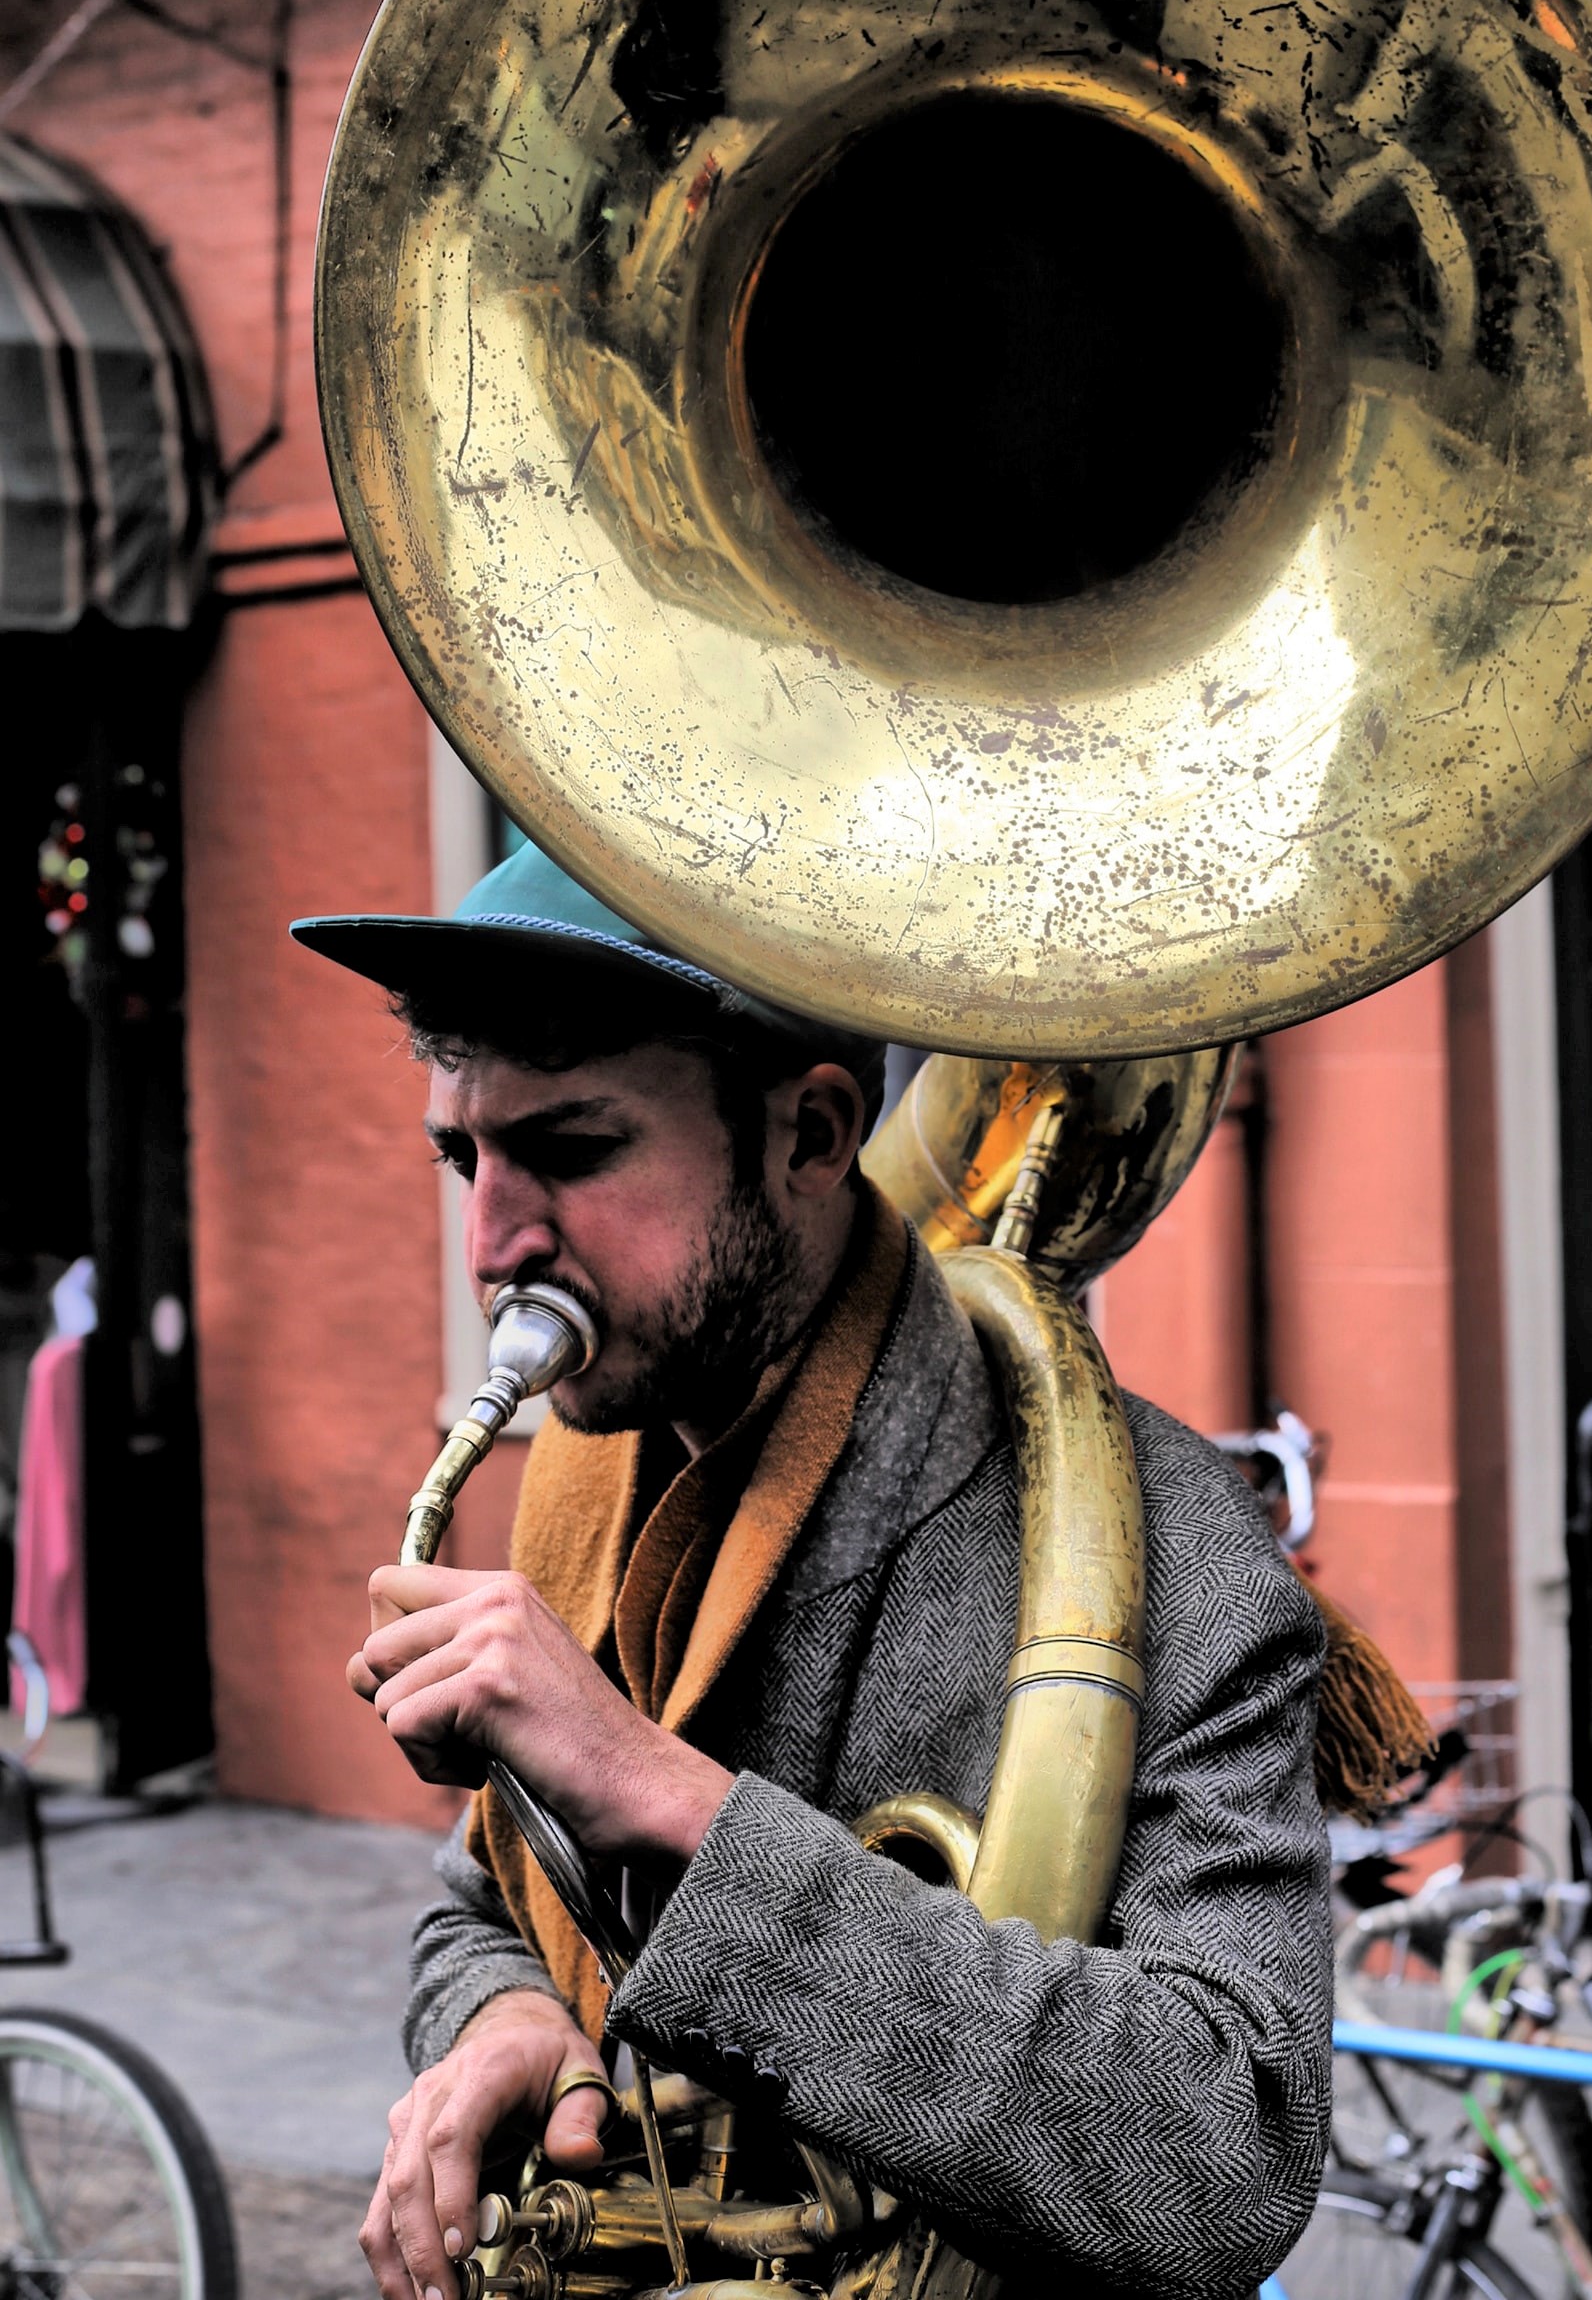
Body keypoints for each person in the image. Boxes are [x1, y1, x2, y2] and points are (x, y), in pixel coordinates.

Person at [295, 837, 1331, 2300]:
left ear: (811, 1134)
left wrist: (673, 1802)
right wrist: (501, 2016)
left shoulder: (1159, 1537)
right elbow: (485, 1900)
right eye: (465, 1157)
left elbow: (1226, 2159)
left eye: (573, 1153)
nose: (496, 1243)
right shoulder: (590, 1479)